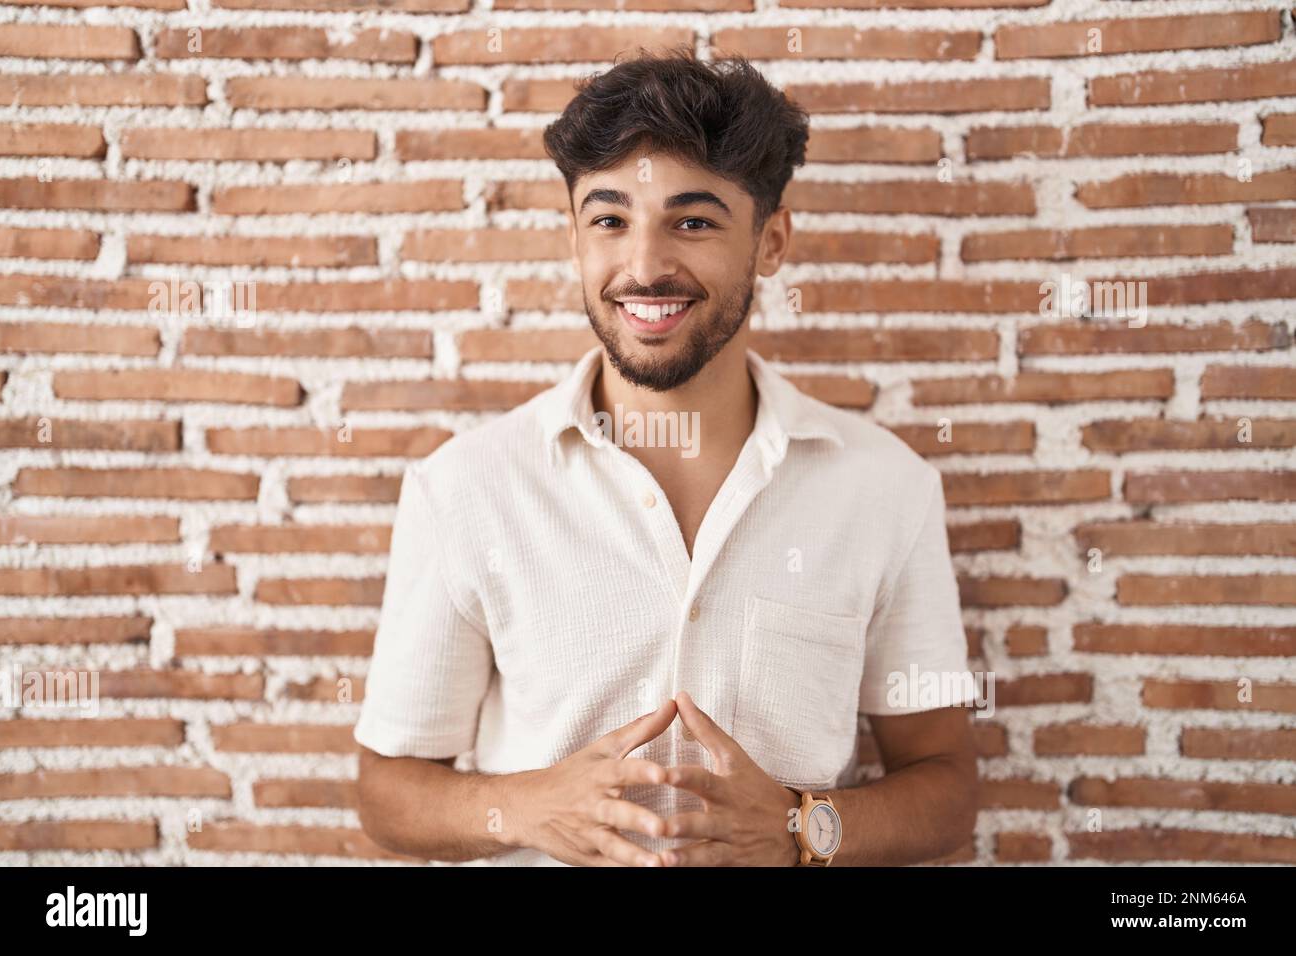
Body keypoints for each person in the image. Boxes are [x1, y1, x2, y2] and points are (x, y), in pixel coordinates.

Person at [353, 47, 980, 867]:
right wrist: (527, 807)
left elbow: (946, 789)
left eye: (693, 221)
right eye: (610, 219)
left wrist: (798, 827)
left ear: (770, 241)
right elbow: (386, 790)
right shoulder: (465, 487)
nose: (645, 267)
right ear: (574, 238)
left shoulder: (885, 486)